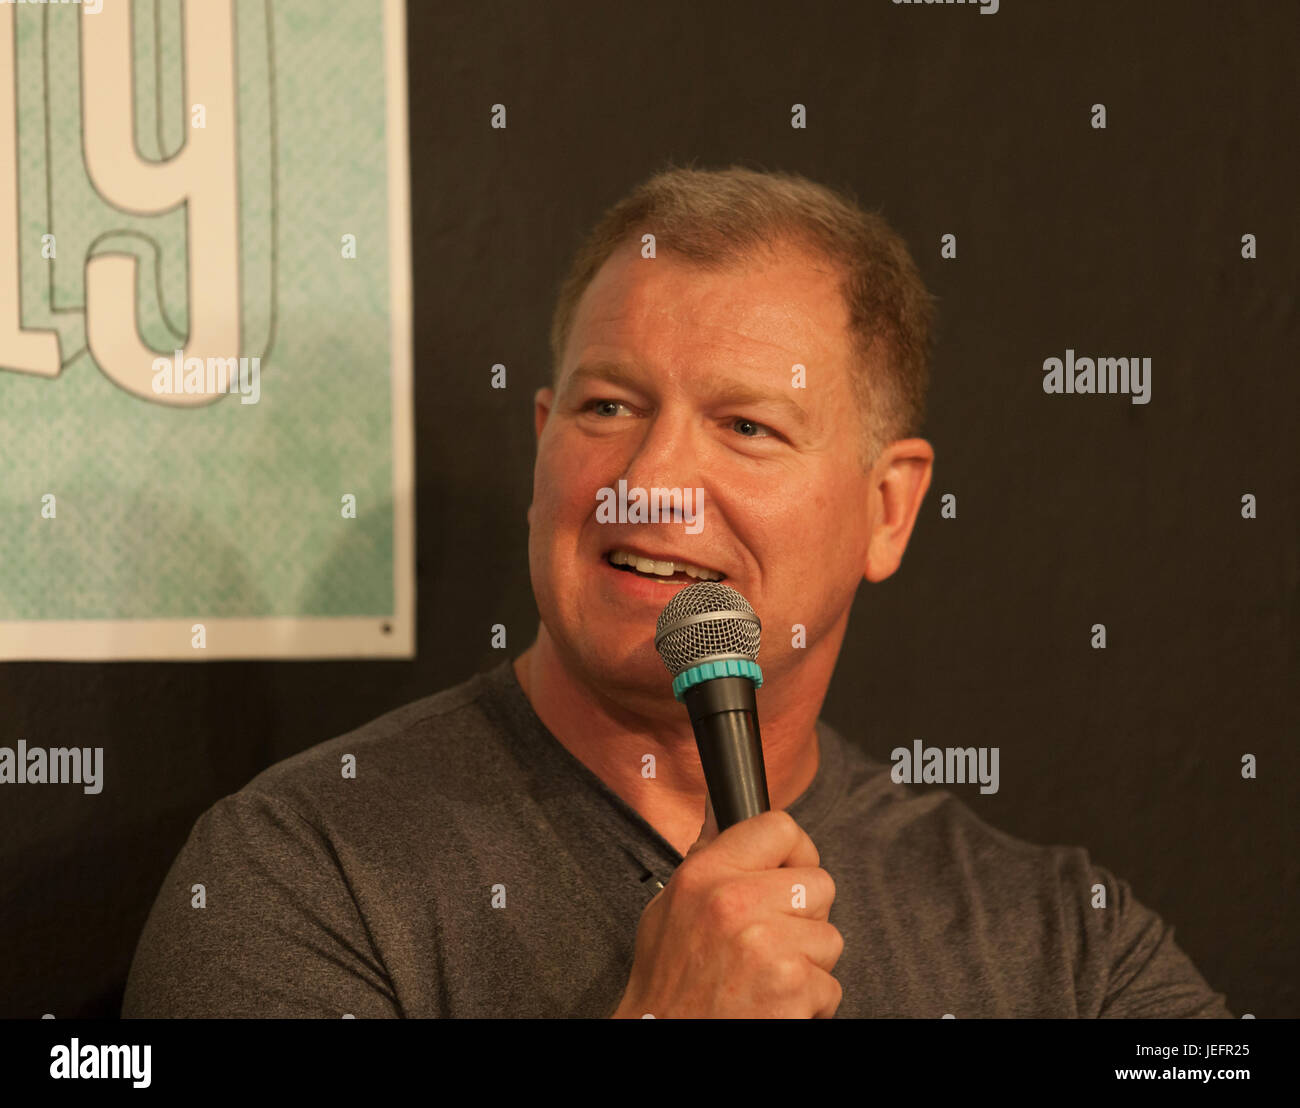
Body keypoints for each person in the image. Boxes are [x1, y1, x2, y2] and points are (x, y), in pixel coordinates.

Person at [122, 165, 1231, 1018]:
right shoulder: (302, 873)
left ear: (888, 509)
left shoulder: (1064, 945)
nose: (648, 484)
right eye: (609, 408)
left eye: (746, 426)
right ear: (544, 441)